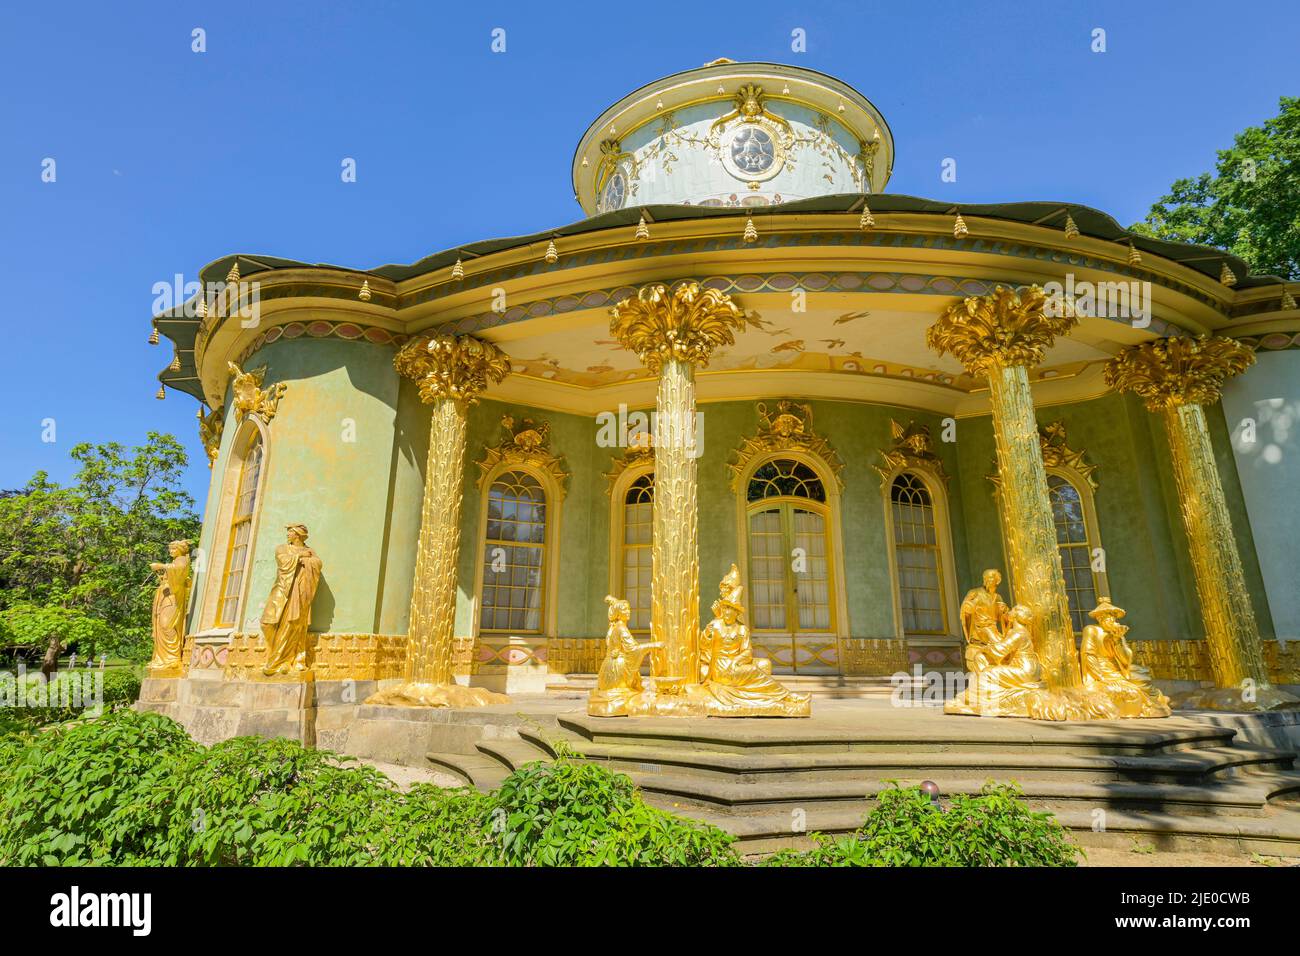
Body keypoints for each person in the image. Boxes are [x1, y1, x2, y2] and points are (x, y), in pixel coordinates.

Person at [262, 524, 323, 676]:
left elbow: (317, 564)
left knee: (295, 624)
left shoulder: (310, 551)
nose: (288, 534)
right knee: (268, 623)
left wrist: (308, 561)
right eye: (288, 532)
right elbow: (283, 562)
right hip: (283, 590)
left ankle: (290, 660)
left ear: (298, 535)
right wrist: (300, 558)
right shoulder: (283, 548)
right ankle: (276, 657)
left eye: (290, 532)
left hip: (301, 592)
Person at [148, 540, 192, 674]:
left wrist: (161, 566)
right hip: (166, 594)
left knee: (166, 624)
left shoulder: (181, 560)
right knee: (161, 625)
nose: (171, 551)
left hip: (173, 596)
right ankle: (162, 658)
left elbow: (178, 571)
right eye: (170, 549)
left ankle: (172, 657)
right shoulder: (176, 560)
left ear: (179, 549)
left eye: (173, 549)